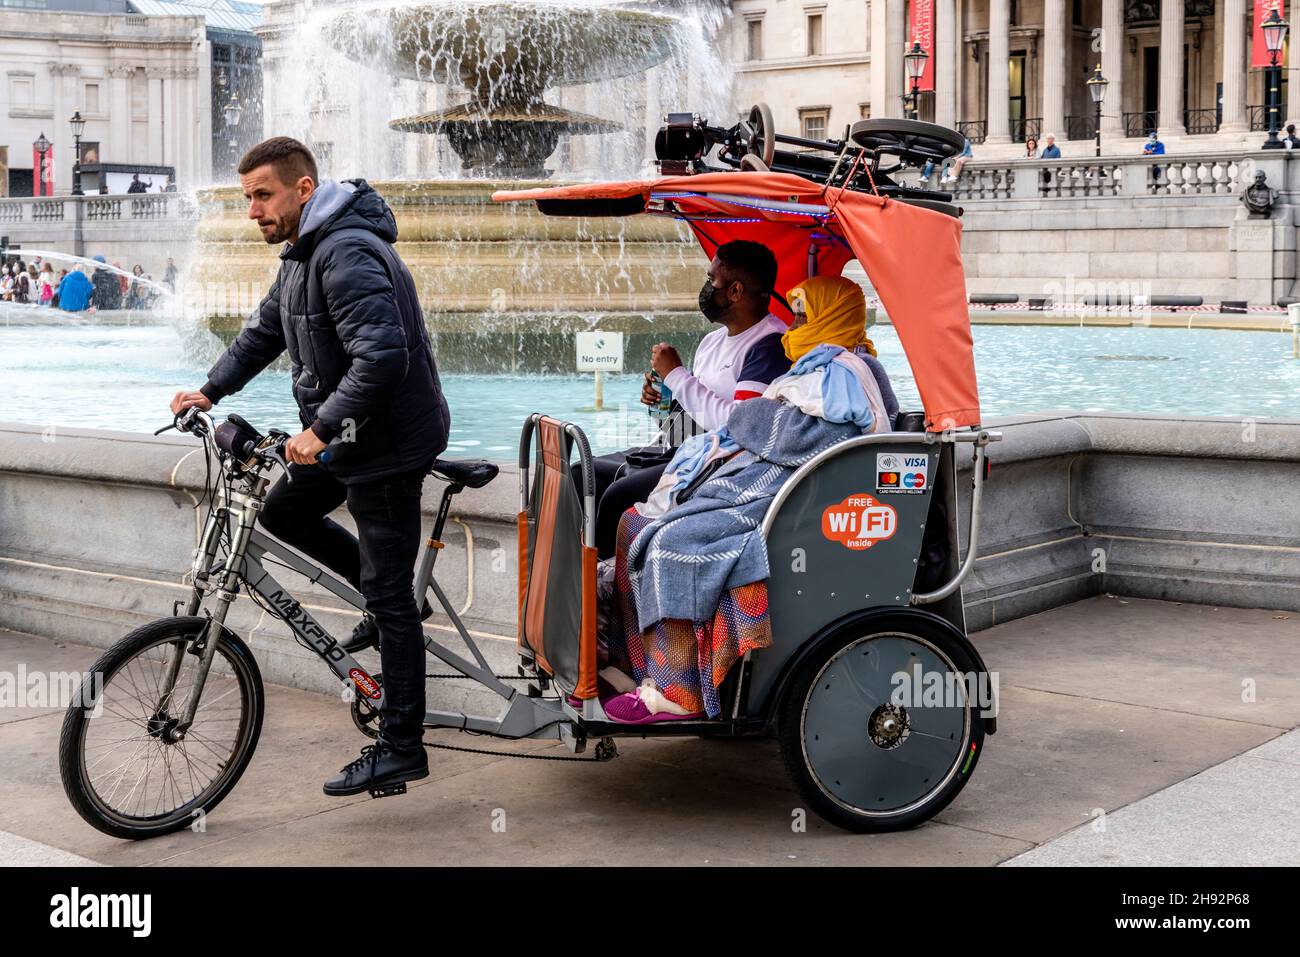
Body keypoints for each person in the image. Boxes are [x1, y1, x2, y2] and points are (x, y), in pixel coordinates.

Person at [168, 136, 450, 798]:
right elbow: (267, 330)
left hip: (386, 445)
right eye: (246, 198)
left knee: (388, 593)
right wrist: (211, 390)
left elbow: (381, 358)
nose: (252, 211)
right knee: (285, 509)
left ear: (302, 190)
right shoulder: (303, 253)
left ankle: (401, 745)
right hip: (352, 436)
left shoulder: (345, 252)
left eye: (262, 195)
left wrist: (320, 429)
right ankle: (391, 605)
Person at [583, 239, 790, 559]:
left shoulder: (770, 345)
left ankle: (605, 592)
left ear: (735, 291)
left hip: (722, 465)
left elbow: (740, 424)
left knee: (617, 496)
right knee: (582, 472)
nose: (707, 287)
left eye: (712, 280)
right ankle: (570, 575)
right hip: (688, 448)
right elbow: (688, 415)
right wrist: (662, 398)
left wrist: (677, 375)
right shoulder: (711, 342)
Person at [782, 275, 898, 429]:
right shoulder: (811, 363)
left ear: (833, 317)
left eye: (804, 316)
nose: (794, 325)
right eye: (795, 315)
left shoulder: (860, 365)